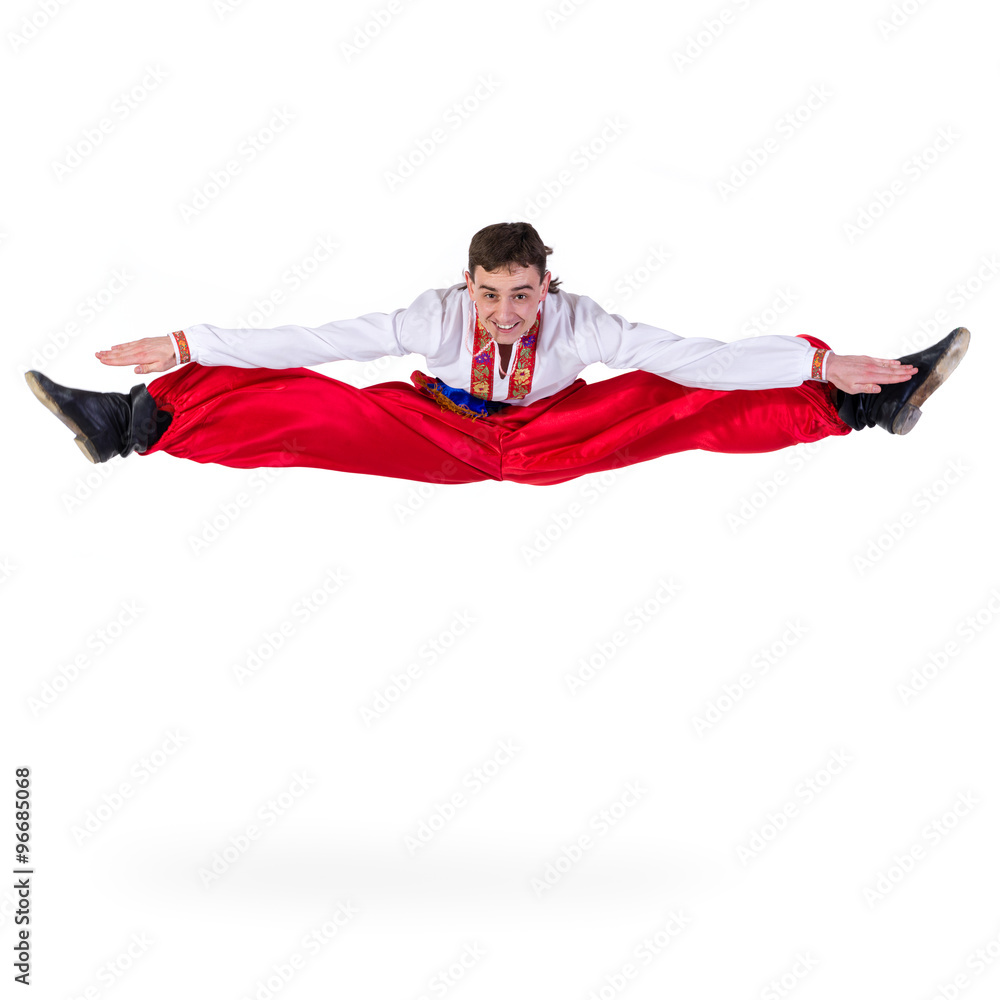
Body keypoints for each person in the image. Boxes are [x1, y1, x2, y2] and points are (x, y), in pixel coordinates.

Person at [25, 222, 969, 487]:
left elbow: (695, 358)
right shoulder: (432, 318)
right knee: (312, 402)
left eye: (523, 295)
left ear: (546, 288)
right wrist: (191, 341)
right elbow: (314, 340)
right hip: (436, 426)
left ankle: (866, 401)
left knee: (669, 399)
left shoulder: (583, 322)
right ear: (465, 286)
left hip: (555, 434)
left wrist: (818, 365)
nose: (507, 314)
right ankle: (131, 423)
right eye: (491, 296)